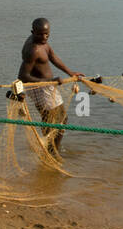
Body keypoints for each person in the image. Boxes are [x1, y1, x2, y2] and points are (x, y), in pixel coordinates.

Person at [18, 17, 83, 153]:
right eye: (40, 34)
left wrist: (70, 72)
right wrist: (50, 81)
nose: (44, 37)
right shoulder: (33, 50)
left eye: (47, 34)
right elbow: (23, 77)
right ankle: (51, 151)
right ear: (33, 32)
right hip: (40, 87)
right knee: (53, 120)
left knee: (60, 119)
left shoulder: (43, 43)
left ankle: (51, 149)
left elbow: (52, 56)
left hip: (48, 86)